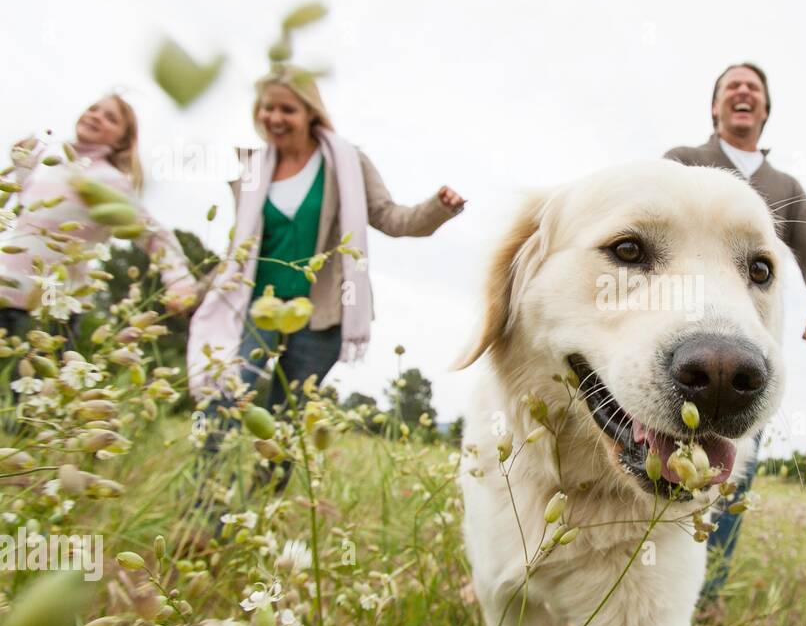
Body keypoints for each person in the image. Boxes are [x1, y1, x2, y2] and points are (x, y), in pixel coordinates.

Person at [186, 65, 465, 490]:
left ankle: (262, 515)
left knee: (283, 423)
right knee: (221, 401)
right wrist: (195, 290)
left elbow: (391, 218)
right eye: (266, 108)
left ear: (310, 112)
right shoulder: (253, 171)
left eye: (287, 109)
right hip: (254, 309)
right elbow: (237, 253)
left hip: (322, 315)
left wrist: (438, 207)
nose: (274, 118)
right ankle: (206, 513)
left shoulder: (346, 164)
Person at [664, 61, 806, 603]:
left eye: (754, 88)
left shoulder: (784, 187)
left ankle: (709, 598)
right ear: (715, 108)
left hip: (746, 356)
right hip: (675, 347)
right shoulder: (684, 161)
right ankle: (637, 593)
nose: (743, 93)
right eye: (731, 87)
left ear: (766, 111)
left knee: (725, 479)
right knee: (650, 465)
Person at [2, 95, 197, 344]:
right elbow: (25, 215)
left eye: (110, 118)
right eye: (93, 109)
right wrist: (21, 170)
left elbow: (153, 236)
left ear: (122, 141)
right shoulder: (52, 165)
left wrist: (180, 284)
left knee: (38, 378)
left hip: (55, 303)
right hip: (7, 290)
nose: (96, 116)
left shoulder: (110, 180)